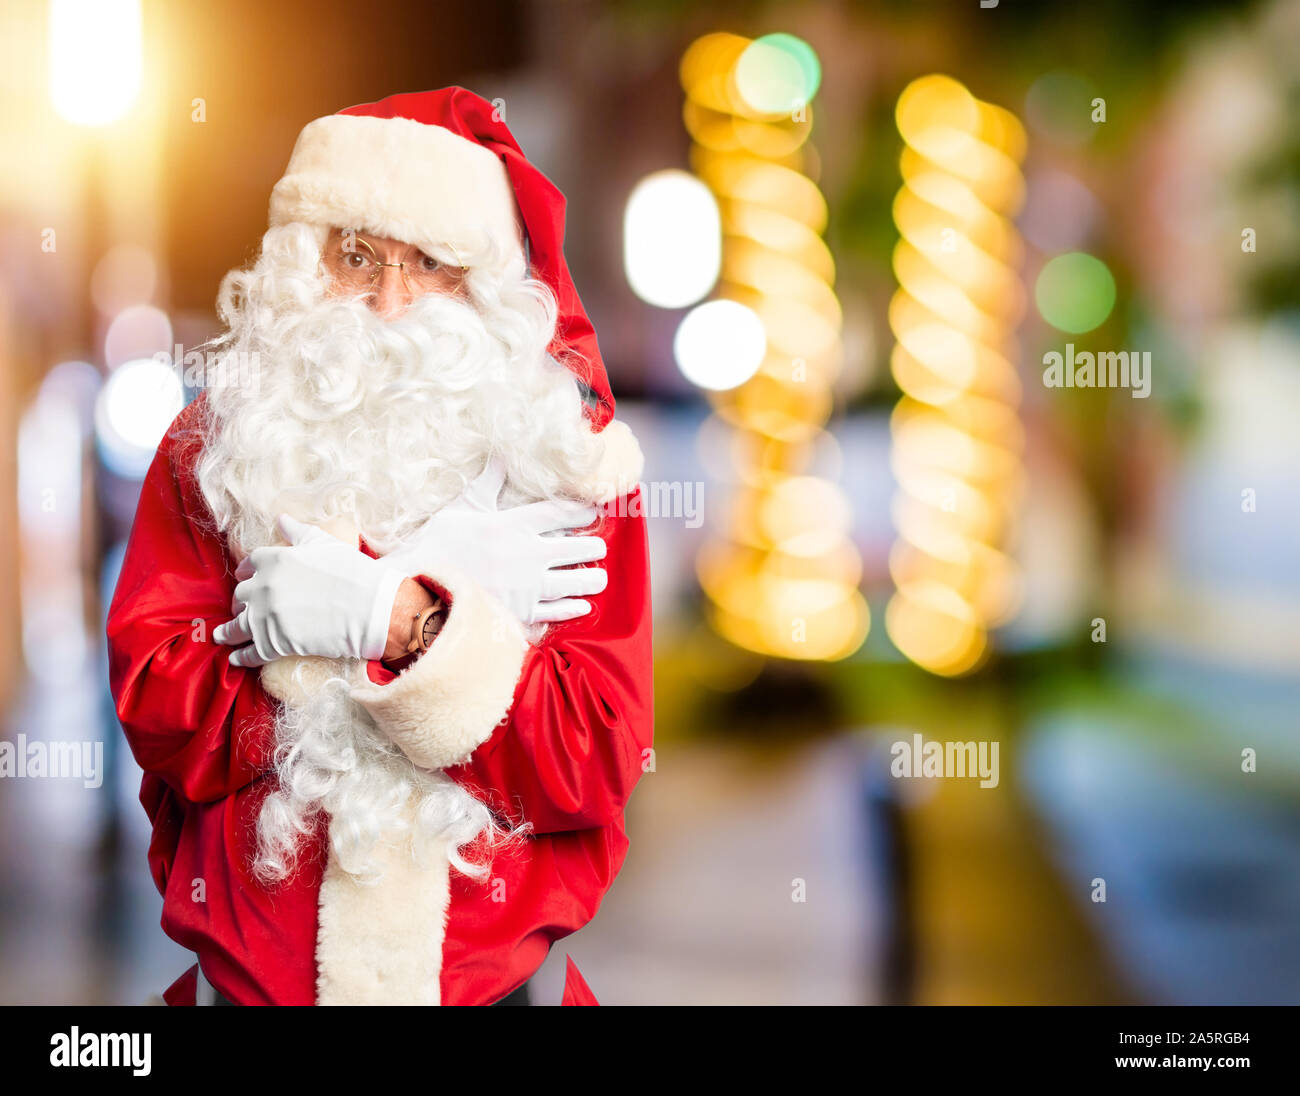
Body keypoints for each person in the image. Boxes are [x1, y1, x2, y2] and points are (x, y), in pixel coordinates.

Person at [105, 87, 653, 1006]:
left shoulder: (569, 466)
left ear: (484, 284)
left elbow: (594, 764)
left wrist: (390, 614)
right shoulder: (217, 446)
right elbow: (161, 717)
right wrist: (396, 621)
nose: (389, 303)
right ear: (299, 266)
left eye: (431, 263)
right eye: (355, 256)